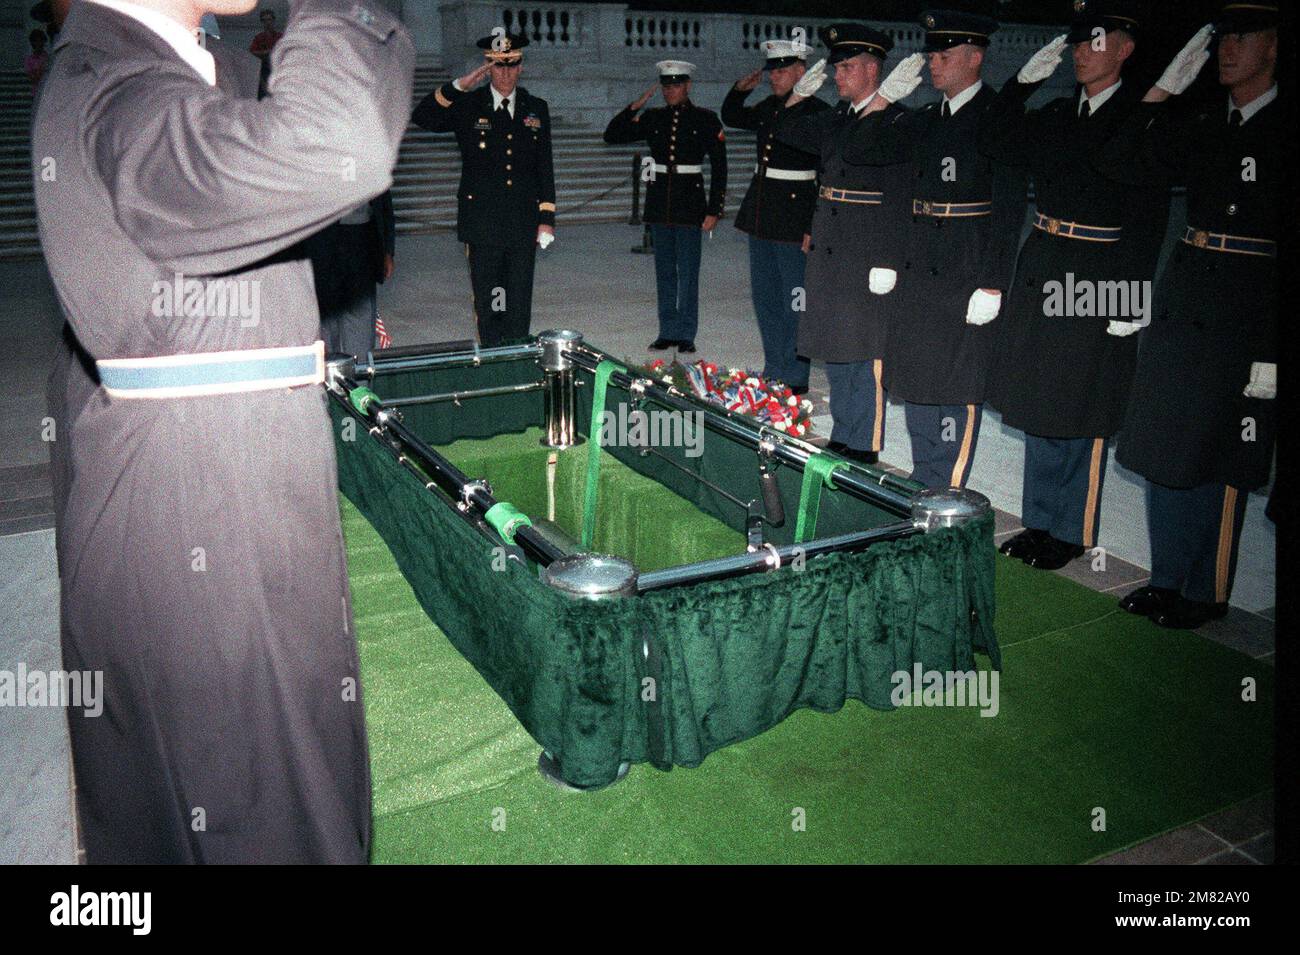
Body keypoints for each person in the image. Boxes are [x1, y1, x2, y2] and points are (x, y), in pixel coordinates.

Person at [32, 0, 414, 863]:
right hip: (207, 516)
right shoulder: (112, 88)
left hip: (217, 487)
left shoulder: (175, 66)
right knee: (267, 812)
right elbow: (337, 145)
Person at [1096, 3, 1279, 629]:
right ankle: (1166, 577)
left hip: (1245, 315)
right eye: (1222, 38)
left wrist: (1274, 349)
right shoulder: (1205, 122)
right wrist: (1158, 93)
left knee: (1218, 454)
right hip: (1187, 297)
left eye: (1244, 37)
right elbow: (1119, 159)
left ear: (1275, 47)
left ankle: (1204, 592)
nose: (1228, 49)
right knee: (1165, 443)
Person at [981, 0, 1170, 570]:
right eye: (1077, 43)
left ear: (1125, 48)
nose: (1080, 53)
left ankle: (1072, 529)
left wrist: (1132, 297)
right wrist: (1019, 85)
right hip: (1043, 266)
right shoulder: (1059, 113)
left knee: (1082, 402)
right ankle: (1039, 520)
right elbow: (994, 138)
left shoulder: (1140, 121)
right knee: (1041, 398)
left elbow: (1150, 214)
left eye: (1095, 41)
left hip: (1098, 275)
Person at [849, 10, 1027, 489]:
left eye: (943, 55)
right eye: (931, 54)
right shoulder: (927, 118)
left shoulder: (997, 117)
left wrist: (993, 282)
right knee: (918, 375)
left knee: (956, 380)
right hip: (919, 258)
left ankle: (945, 487)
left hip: (966, 265)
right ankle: (924, 475)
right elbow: (860, 148)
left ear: (975, 57)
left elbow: (1009, 207)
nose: (932, 64)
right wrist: (884, 97)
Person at [776, 23, 924, 465]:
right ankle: (844, 432)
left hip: (866, 248)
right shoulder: (838, 117)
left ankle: (864, 442)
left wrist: (888, 259)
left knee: (865, 350)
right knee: (836, 347)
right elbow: (784, 130)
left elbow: (902, 194)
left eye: (848, 67)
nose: (838, 75)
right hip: (832, 243)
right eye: (836, 67)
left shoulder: (898, 120)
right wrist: (799, 94)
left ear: (874, 70)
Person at [412, 33, 556, 347]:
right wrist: (458, 86)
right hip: (483, 223)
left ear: (521, 67)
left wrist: (546, 217)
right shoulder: (468, 105)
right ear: (487, 68)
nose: (505, 73)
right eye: (498, 66)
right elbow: (422, 117)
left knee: (518, 297)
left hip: (522, 220)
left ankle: (517, 355)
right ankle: (493, 354)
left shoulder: (536, 108)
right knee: (492, 297)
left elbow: (544, 166)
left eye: (512, 65)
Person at [721, 38, 828, 395]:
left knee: (794, 299)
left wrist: (814, 225)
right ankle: (774, 366)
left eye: (782, 70)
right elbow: (733, 117)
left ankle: (796, 373)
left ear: (801, 71)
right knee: (765, 297)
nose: (773, 77)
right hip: (762, 213)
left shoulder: (818, 112)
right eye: (771, 70)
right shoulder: (769, 106)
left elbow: (825, 176)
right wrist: (738, 91)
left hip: (795, 217)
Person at [604, 61, 727, 353]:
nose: (670, 91)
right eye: (666, 86)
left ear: (687, 86)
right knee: (664, 272)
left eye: (675, 86)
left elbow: (720, 166)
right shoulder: (653, 117)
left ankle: (686, 333)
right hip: (660, 204)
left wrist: (714, 209)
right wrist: (634, 107)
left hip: (690, 205)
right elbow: (613, 134)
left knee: (688, 272)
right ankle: (667, 330)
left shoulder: (706, 119)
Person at [304, 190, 396, 358]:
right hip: (322, 243)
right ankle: (329, 375)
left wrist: (388, 248)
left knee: (360, 319)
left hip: (363, 240)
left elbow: (384, 199)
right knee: (326, 322)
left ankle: (357, 375)